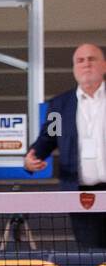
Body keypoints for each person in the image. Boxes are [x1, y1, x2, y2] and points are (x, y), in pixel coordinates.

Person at [26, 44, 106, 248]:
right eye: (80, 60)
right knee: (91, 258)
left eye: (91, 59)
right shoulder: (60, 106)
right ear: (74, 69)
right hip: (81, 195)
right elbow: (48, 139)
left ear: (104, 66)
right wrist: (32, 159)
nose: (86, 64)